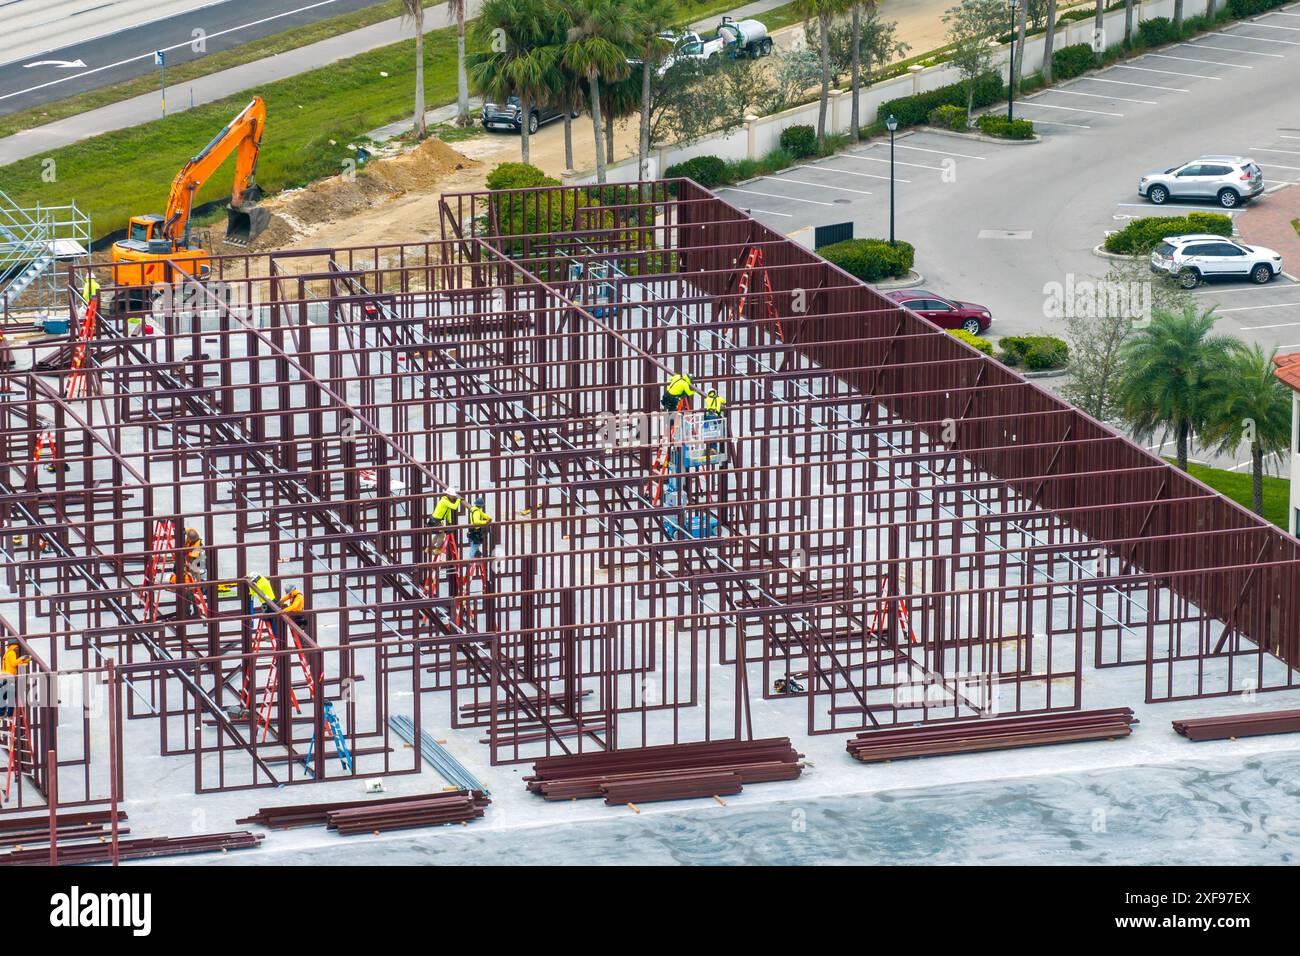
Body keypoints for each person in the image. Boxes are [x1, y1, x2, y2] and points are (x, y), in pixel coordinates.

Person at [1, 641, 30, 718]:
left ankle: (2, 713)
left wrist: (24, 660)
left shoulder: (7, 653)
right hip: (10, 677)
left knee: (3, 695)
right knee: (10, 696)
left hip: (4, 676)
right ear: (14, 646)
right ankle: (9, 714)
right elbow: (14, 663)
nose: (18, 649)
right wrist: (22, 658)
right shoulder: (12, 653)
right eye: (17, 647)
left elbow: (13, 663)